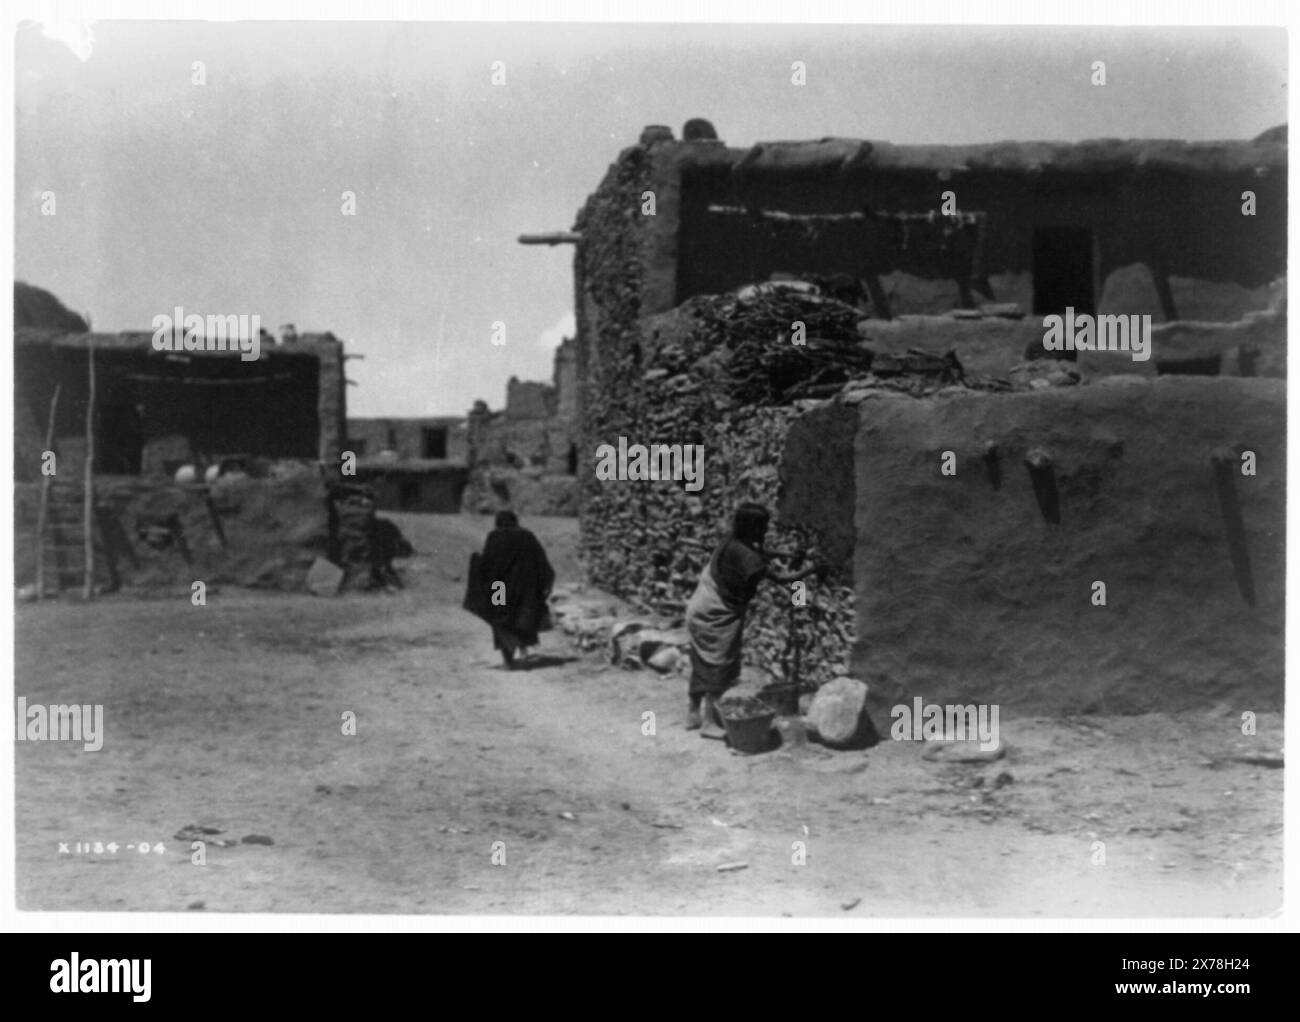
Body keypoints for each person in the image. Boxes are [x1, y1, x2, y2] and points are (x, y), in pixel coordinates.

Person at [685, 503, 824, 738]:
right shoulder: (746, 554)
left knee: (703, 661)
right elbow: (781, 578)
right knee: (718, 665)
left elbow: (762, 554)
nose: (765, 530)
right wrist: (813, 570)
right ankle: (709, 723)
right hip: (716, 614)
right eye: (763, 526)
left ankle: (693, 714)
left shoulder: (734, 542)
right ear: (752, 527)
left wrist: (787, 555)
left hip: (700, 608)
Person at [476, 510, 555, 670]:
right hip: (526, 588)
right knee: (524, 618)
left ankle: (508, 660)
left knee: (500, 619)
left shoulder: (494, 537)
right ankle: (523, 651)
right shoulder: (527, 536)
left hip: (499, 587)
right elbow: (541, 560)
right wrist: (546, 583)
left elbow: (487, 564)